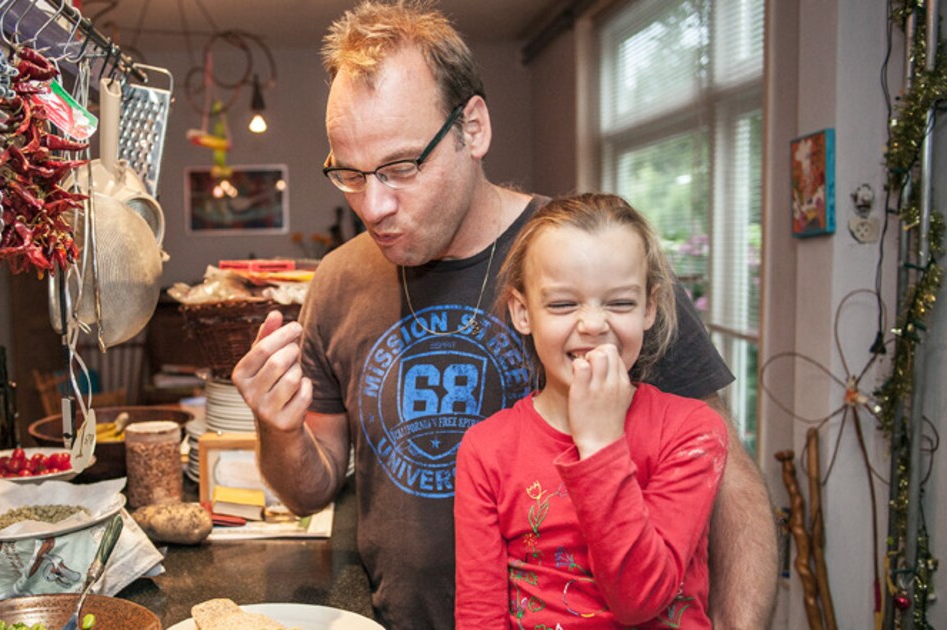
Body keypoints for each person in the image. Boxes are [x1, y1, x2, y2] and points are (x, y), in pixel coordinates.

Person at [231, 2, 777, 628]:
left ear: (474, 129)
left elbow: (728, 481)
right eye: (350, 175)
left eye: (402, 167)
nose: (374, 205)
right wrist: (276, 429)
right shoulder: (338, 281)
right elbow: (312, 487)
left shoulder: (593, 268)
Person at [453, 193, 727, 628]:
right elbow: (479, 615)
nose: (594, 325)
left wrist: (600, 443)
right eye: (563, 304)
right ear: (523, 312)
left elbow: (640, 599)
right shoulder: (487, 450)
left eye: (620, 303)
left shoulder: (692, 431)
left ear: (649, 308)